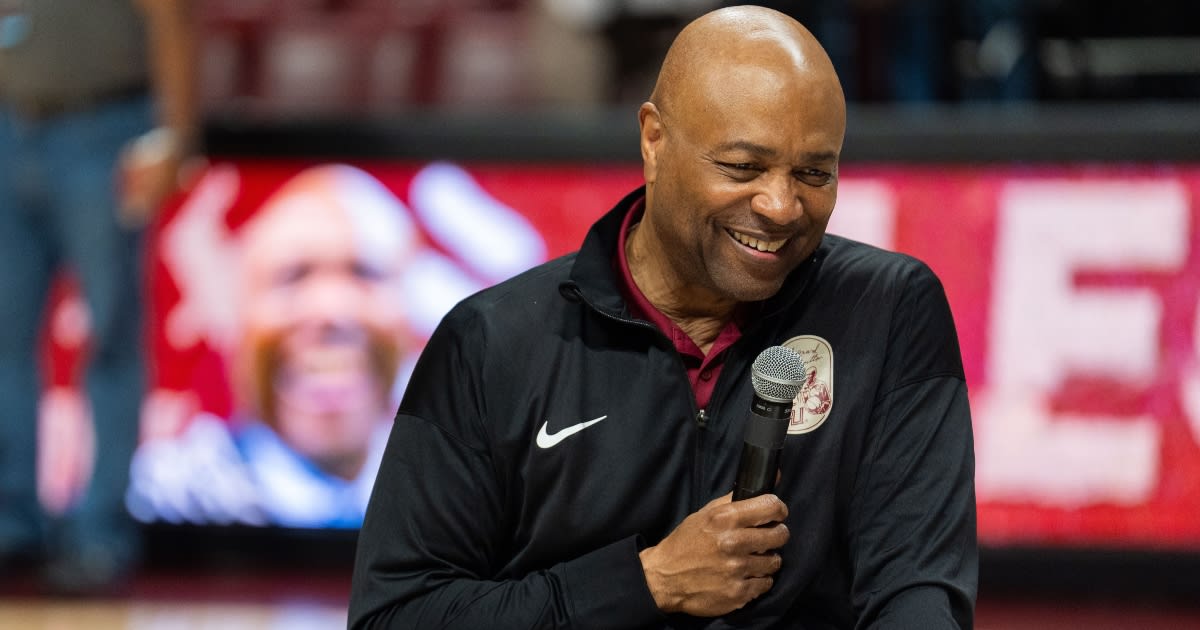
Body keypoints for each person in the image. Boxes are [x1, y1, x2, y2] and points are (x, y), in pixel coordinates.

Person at [349, 5, 976, 629]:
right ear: (654, 139)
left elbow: (918, 595)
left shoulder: (889, 309)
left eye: (814, 173)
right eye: (743, 167)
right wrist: (646, 582)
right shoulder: (491, 342)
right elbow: (395, 615)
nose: (782, 206)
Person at [0, 0, 198, 593]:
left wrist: (178, 132)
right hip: (10, 126)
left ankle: (101, 535)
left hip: (106, 128)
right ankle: (13, 526)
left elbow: (172, 14)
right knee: (4, 339)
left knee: (109, 334)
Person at [126, 164, 422, 529]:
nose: (330, 309)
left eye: (365, 273)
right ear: (237, 317)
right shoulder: (167, 494)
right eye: (292, 276)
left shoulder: (457, 500)